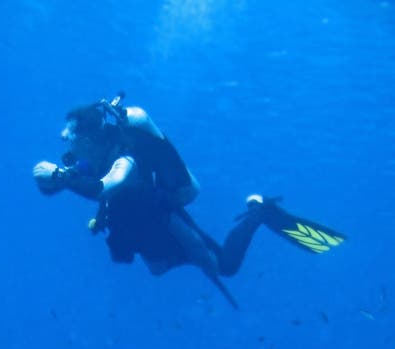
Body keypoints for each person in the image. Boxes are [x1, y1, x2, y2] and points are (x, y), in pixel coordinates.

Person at [33, 95, 345, 307]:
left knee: (225, 266)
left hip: (169, 225)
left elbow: (103, 187)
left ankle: (259, 211)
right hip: (151, 235)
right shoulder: (90, 158)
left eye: (70, 136)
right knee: (163, 266)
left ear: (88, 140)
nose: (65, 141)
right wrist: (63, 180)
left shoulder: (125, 161)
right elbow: (87, 184)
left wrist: (62, 177)